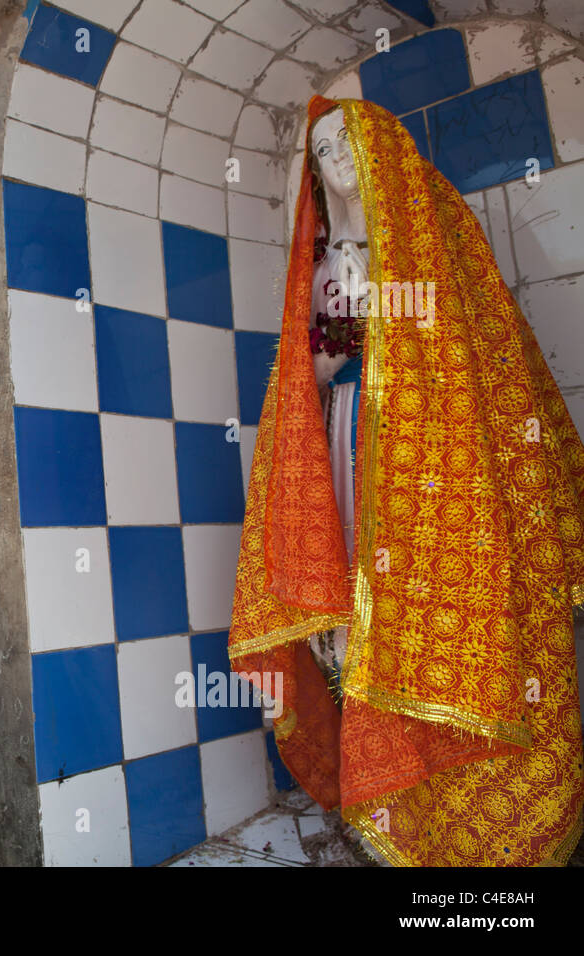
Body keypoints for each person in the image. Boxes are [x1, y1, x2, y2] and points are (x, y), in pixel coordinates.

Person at [229, 94, 584, 866]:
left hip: (432, 456)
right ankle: (386, 804)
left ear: (383, 150)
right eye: (321, 154)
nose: (335, 163)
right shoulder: (322, 260)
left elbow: (477, 350)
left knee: (438, 611)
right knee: (354, 613)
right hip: (349, 434)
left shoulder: (438, 227)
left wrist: (388, 318)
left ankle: (478, 817)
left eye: (347, 144)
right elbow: (307, 373)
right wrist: (334, 343)